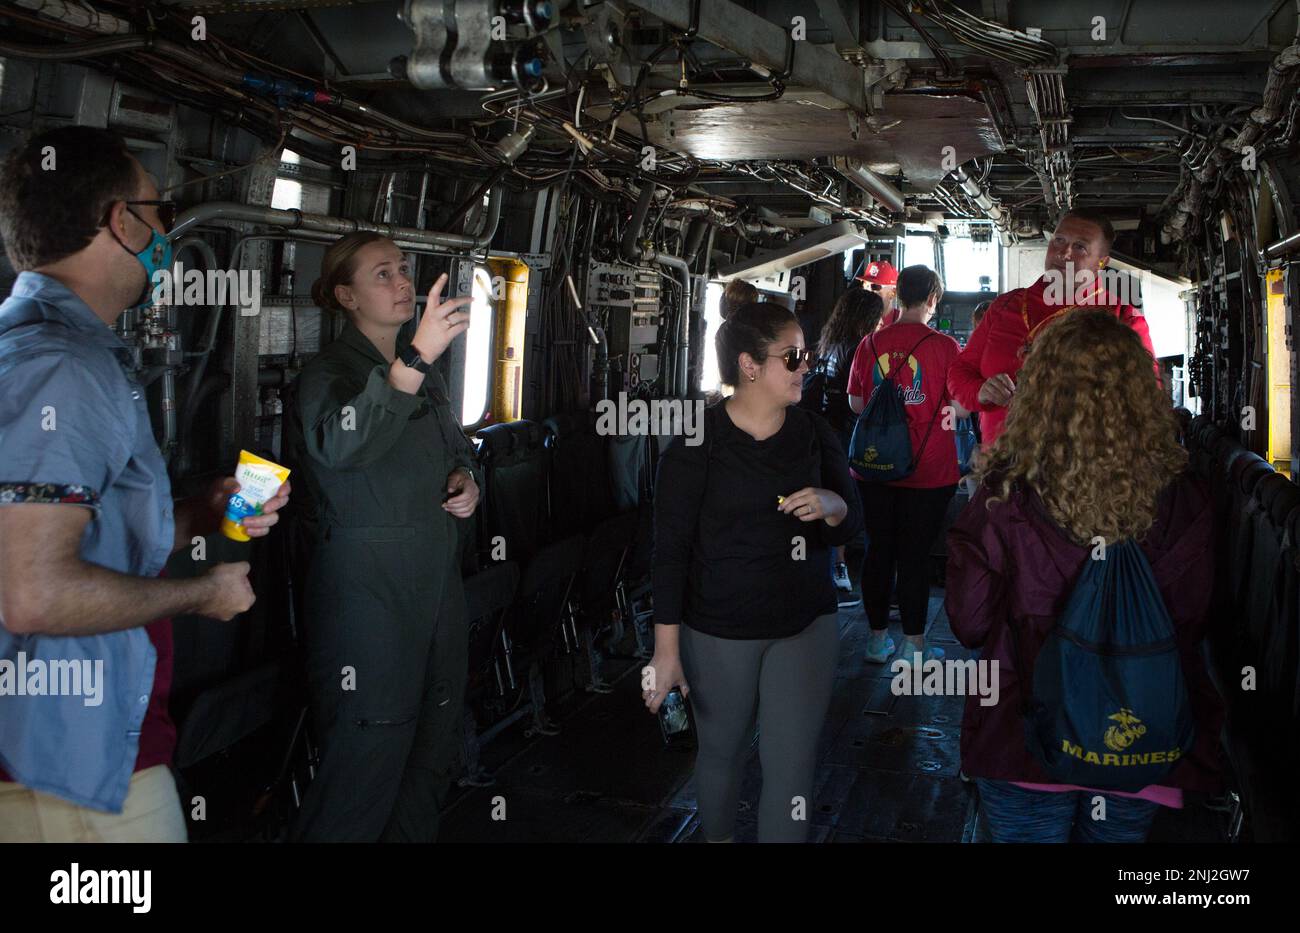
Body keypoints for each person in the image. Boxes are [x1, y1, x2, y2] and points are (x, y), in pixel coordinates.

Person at [0, 126, 289, 842]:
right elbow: (32, 593)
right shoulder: (62, 368)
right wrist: (203, 592)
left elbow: (69, 530)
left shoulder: (41, 349)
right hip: (71, 763)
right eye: (157, 213)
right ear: (120, 222)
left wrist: (197, 513)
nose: (164, 232)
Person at [945, 310, 1223, 843]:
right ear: (1142, 391)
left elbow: (971, 621)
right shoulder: (1184, 497)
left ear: (1040, 391)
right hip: (1141, 737)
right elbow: (1192, 619)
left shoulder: (1006, 494)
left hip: (1022, 739)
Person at [286, 233, 480, 842]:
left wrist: (466, 482)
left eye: (404, 269)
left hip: (435, 592)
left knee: (429, 759)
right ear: (345, 296)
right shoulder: (327, 377)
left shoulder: (432, 379)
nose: (403, 282)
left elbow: (459, 452)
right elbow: (342, 445)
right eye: (383, 274)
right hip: (366, 602)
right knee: (365, 766)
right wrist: (414, 361)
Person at [647, 301, 862, 843]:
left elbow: (852, 522)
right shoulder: (696, 444)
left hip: (804, 623)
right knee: (721, 752)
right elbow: (669, 552)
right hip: (719, 628)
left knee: (791, 766)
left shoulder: (815, 434)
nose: (805, 366)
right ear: (749, 366)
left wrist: (833, 505)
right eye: (792, 357)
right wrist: (666, 654)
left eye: (805, 355)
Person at [948, 209, 1156, 448]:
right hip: (1000, 469)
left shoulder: (1122, 318)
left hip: (1080, 474)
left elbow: (1145, 401)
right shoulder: (1005, 306)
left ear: (1102, 262)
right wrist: (980, 391)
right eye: (1059, 240)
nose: (1064, 252)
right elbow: (959, 371)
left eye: (1080, 247)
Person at [847, 266, 967, 664]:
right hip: (929, 470)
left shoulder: (870, 343)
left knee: (878, 550)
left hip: (874, 466)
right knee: (915, 555)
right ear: (933, 299)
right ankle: (914, 647)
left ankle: (876, 640)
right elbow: (961, 407)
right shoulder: (947, 348)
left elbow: (857, 404)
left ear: (899, 296)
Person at [814, 288, 886, 607]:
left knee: (836, 499)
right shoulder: (860, 348)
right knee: (854, 505)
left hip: (828, 431)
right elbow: (865, 399)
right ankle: (845, 577)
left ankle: (835, 571)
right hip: (849, 434)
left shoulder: (830, 345)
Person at [858, 259, 899, 326]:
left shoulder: (902, 324)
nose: (869, 290)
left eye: (875, 286)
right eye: (866, 284)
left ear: (893, 292)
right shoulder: (855, 319)